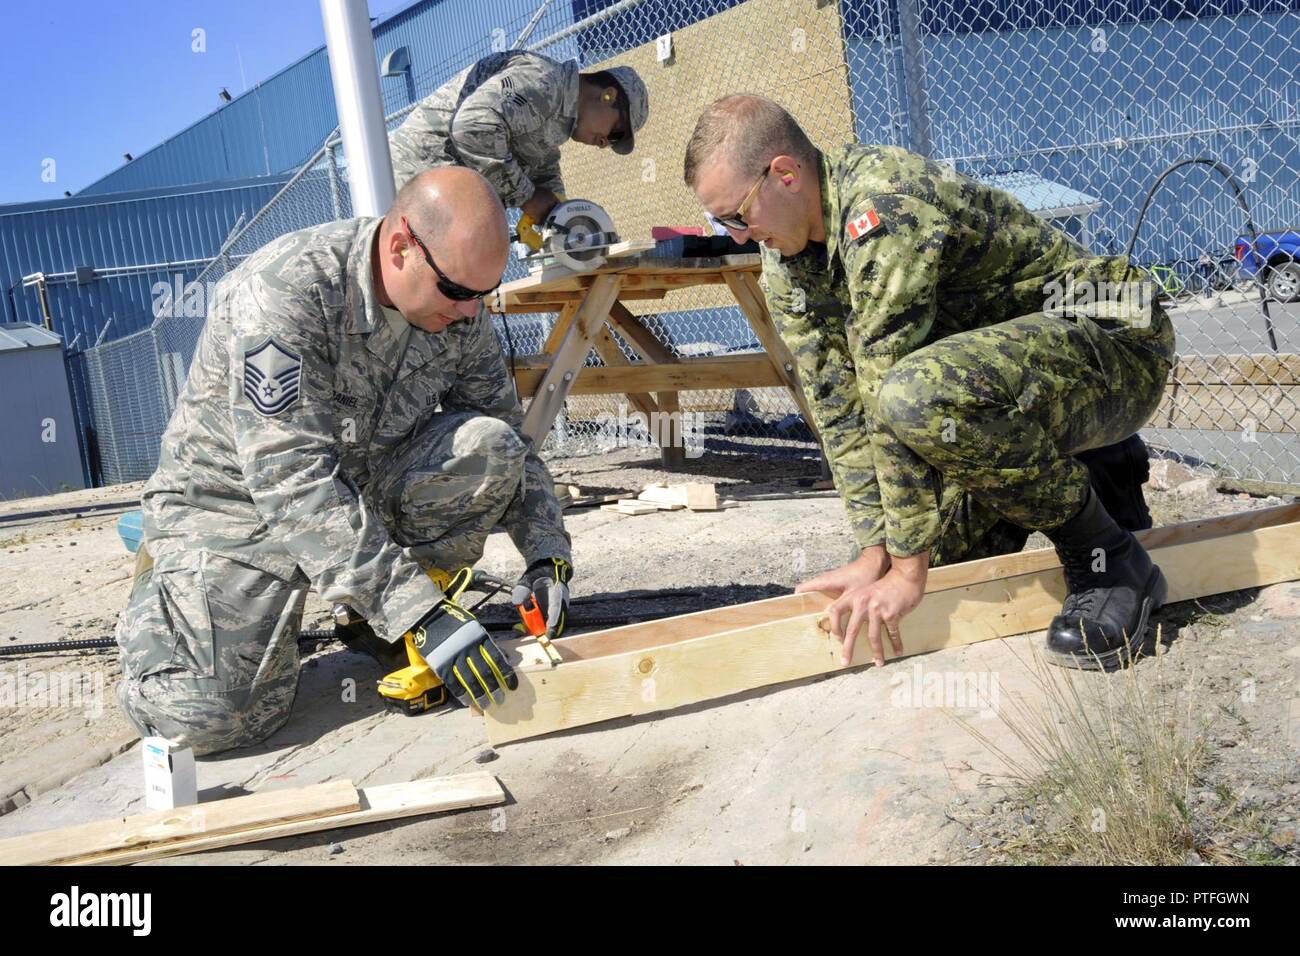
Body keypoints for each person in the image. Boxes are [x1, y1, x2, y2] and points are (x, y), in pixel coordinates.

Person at [684, 95, 1175, 671]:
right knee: (934, 563)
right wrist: (877, 553)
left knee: (916, 401)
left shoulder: (883, 206)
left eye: (738, 216)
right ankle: (1096, 462)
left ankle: (1110, 560)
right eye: (722, 223)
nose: (737, 236)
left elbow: (889, 387)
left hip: (1113, 337)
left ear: (785, 175)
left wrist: (907, 567)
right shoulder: (786, 260)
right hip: (1017, 376)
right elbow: (841, 407)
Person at [115, 167, 572, 755]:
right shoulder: (284, 292)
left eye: (482, 295)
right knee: (204, 719)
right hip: (238, 512)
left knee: (489, 448)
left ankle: (374, 620)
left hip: (358, 485)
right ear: (402, 244)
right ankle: (167, 604)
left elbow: (506, 432)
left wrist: (546, 554)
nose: (468, 313)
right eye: (457, 292)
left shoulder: (460, 303)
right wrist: (415, 609)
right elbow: (290, 478)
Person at [388, 51, 649, 249]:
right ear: (608, 96)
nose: (605, 143)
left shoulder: (558, 114)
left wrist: (561, 212)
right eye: (616, 133)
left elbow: (541, 162)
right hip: (417, 173)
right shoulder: (545, 81)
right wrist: (529, 196)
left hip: (436, 191)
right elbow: (472, 127)